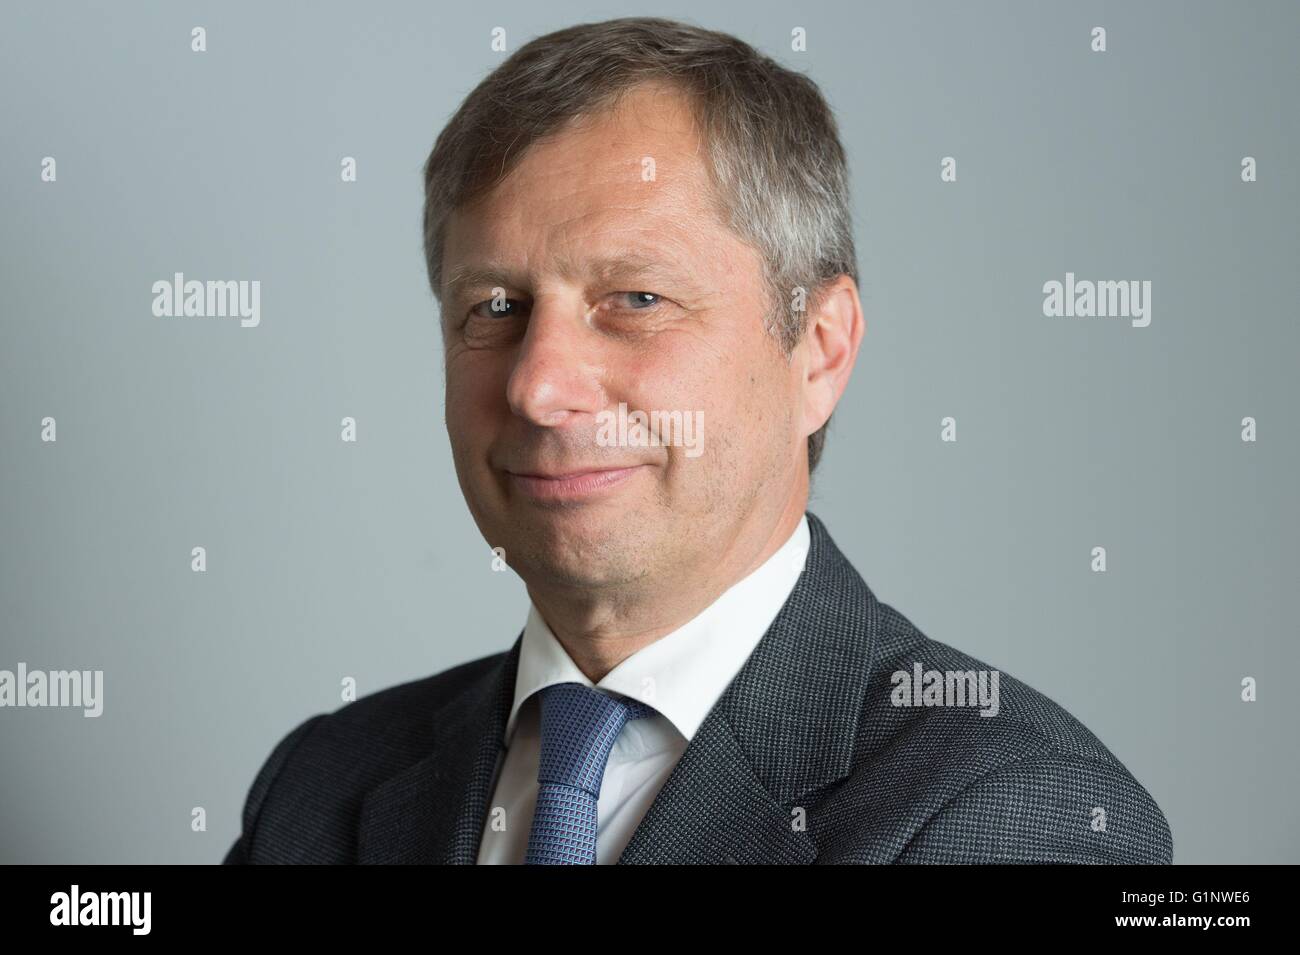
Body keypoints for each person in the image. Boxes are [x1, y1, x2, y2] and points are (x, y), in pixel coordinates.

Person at [224, 17, 1172, 864]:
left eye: (636, 298)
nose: (539, 386)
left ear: (818, 350)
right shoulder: (322, 786)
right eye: (496, 307)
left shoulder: (1011, 812)